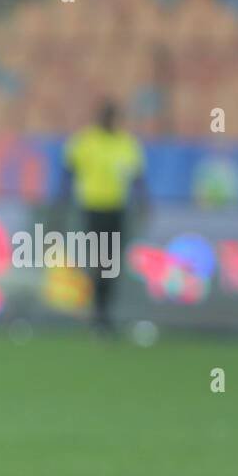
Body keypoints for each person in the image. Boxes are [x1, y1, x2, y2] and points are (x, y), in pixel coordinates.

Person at [60, 99, 148, 333]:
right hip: (92, 208)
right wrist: (62, 200)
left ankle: (102, 314)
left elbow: (137, 177)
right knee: (100, 262)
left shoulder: (126, 143)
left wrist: (143, 201)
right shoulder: (85, 141)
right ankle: (99, 314)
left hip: (116, 209)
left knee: (110, 264)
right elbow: (69, 171)